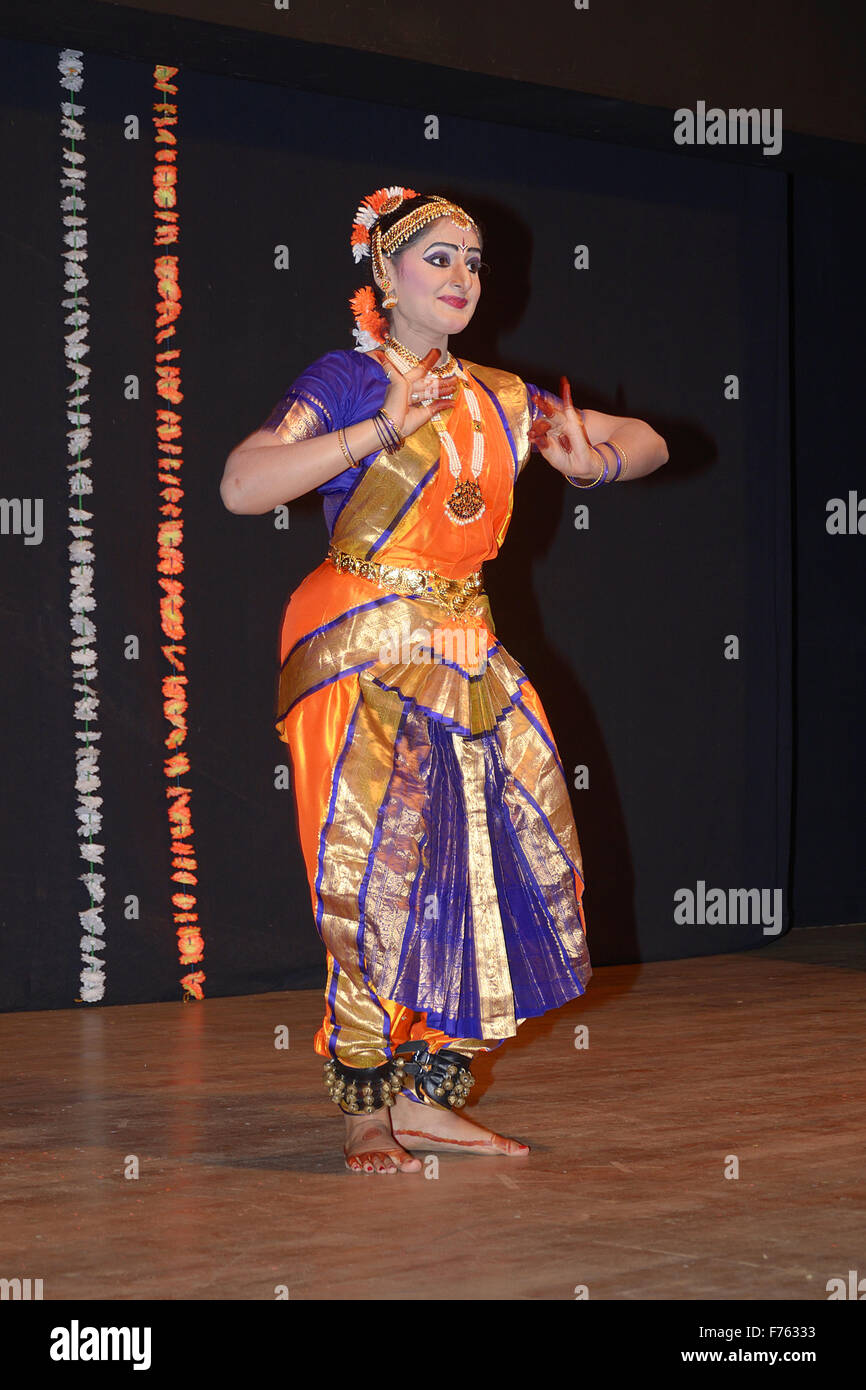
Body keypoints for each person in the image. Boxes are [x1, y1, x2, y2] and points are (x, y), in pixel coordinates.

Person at [220, 186, 668, 1175]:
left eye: (471, 261)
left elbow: (649, 442)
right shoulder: (343, 377)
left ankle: (428, 1095)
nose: (460, 276)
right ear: (383, 274)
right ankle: (365, 1109)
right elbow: (243, 483)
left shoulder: (502, 397)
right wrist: (377, 430)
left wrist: (594, 460)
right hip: (359, 642)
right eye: (437, 259)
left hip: (467, 646)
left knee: (510, 862)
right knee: (375, 870)